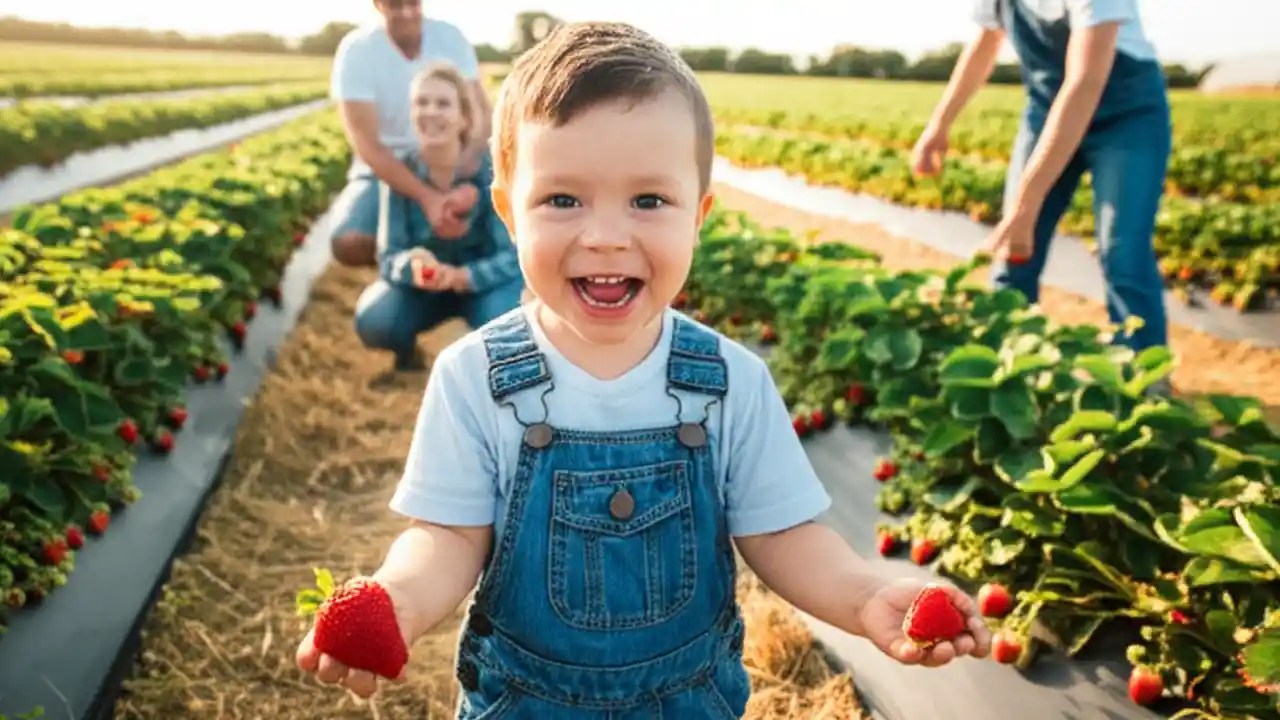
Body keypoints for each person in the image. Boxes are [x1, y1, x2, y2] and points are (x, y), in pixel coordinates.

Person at [297, 21, 992, 717]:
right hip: (524, 702)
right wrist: (397, 602)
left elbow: (782, 533)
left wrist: (865, 594)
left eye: (649, 201)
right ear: (508, 213)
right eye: (562, 200)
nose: (604, 235)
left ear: (700, 217)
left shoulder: (731, 382)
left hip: (688, 701)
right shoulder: (473, 376)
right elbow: (449, 536)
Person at [912, 0, 1171, 353]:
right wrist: (939, 124)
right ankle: (1007, 360)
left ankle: (1144, 368)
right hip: (1047, 108)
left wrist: (1025, 204)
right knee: (1015, 246)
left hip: (1127, 118)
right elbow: (984, 44)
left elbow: (1084, 83)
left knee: (1122, 249)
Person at [353, 63, 523, 371]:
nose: (430, 112)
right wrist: (413, 268)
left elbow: (514, 256)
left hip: (484, 285)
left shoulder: (490, 171)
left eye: (443, 103)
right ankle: (407, 354)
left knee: (506, 323)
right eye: (421, 102)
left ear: (464, 118)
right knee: (375, 320)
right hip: (423, 291)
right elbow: (389, 255)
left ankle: (488, 366)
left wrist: (462, 277)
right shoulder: (399, 174)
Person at [328, 0, 492, 267]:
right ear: (378, 5)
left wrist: (463, 173)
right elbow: (367, 144)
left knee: (491, 222)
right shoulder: (357, 50)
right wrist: (427, 196)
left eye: (412, 3)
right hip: (385, 167)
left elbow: (481, 114)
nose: (406, 12)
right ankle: (401, 273)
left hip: (452, 160)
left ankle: (468, 276)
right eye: (395, 5)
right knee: (349, 241)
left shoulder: (450, 38)